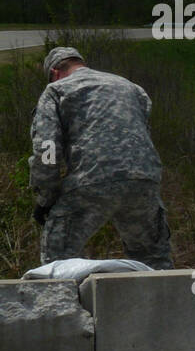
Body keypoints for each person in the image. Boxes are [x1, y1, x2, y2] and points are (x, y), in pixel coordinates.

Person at [29, 46, 173, 269]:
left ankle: (62, 301)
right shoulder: (132, 88)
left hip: (91, 180)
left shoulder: (56, 90)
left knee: (56, 262)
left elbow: (46, 149)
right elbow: (142, 135)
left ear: (55, 72)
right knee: (154, 259)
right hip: (145, 180)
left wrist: (45, 198)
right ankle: (166, 300)